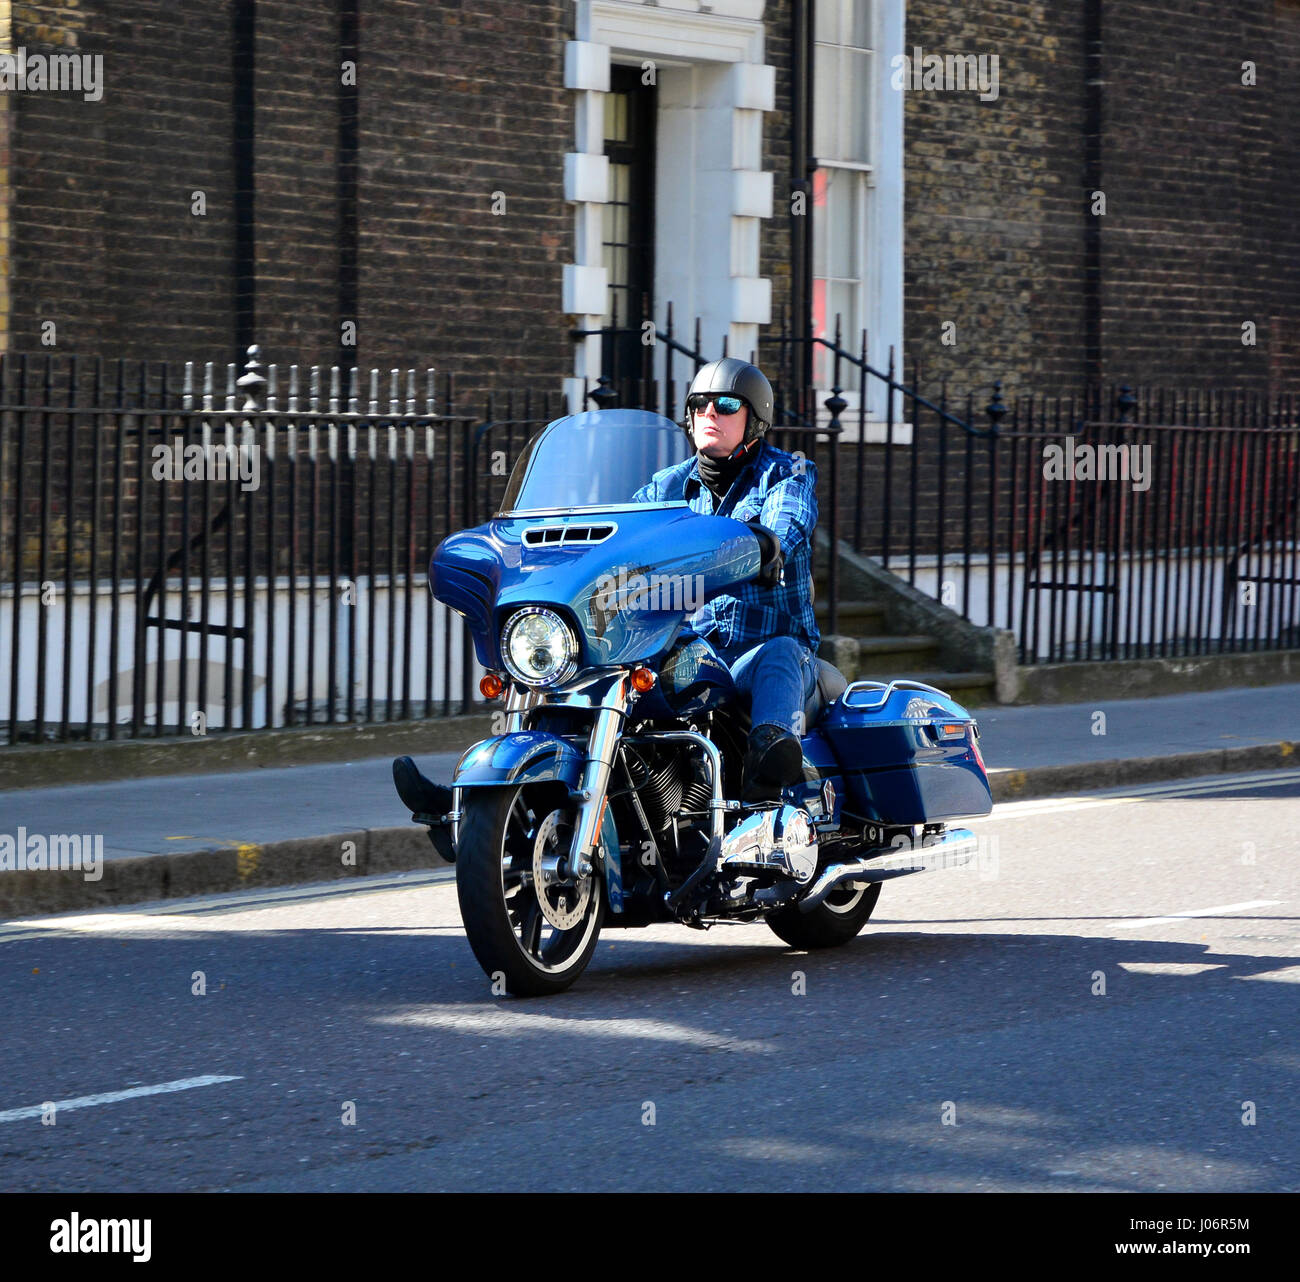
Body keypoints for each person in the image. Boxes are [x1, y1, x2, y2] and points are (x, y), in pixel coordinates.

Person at [632, 357, 820, 801]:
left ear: (754, 420)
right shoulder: (666, 488)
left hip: (760, 651)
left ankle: (769, 766)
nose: (709, 413)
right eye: (699, 404)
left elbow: (787, 525)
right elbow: (622, 535)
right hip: (691, 652)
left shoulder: (786, 473)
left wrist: (766, 545)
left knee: (780, 652)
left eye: (726, 404)